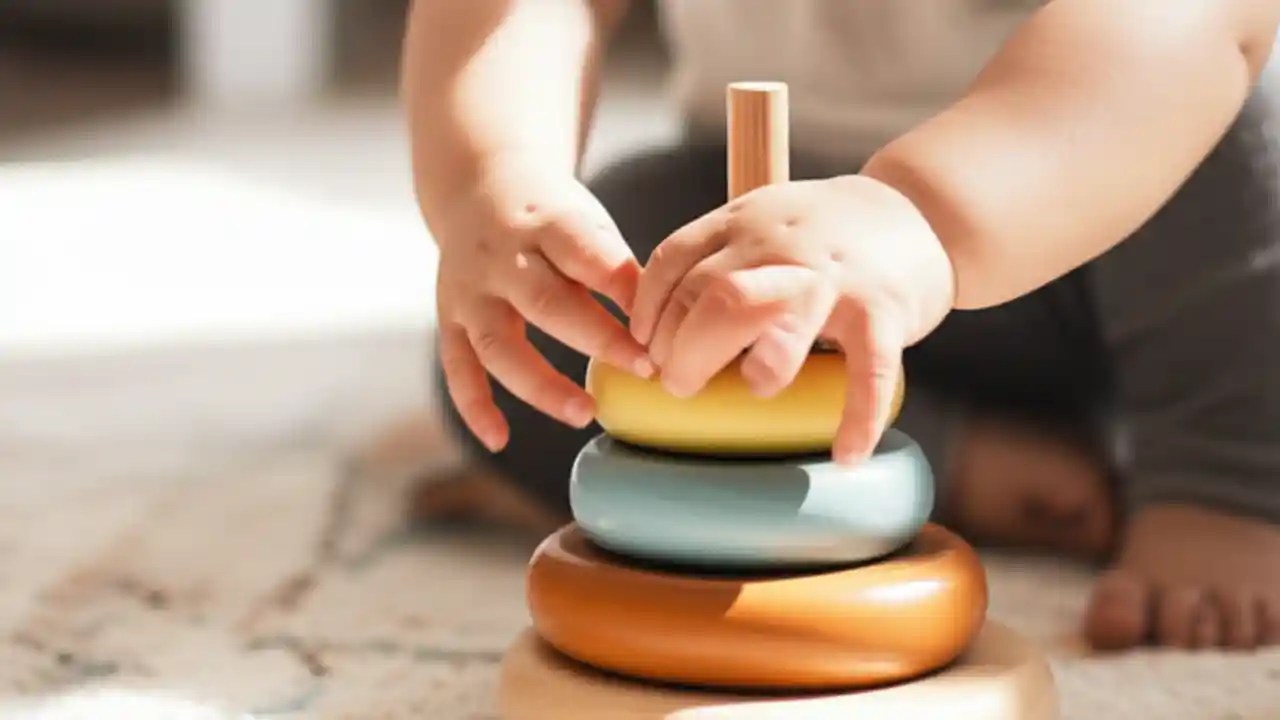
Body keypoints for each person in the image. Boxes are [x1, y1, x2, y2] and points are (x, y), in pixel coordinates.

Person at [401, 0, 1280, 650]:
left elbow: (1181, 24)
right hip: (773, 234)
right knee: (532, 332)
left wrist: (921, 218)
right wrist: (494, 173)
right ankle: (951, 459)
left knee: (1231, 127)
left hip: (1099, 220)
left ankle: (1220, 476)